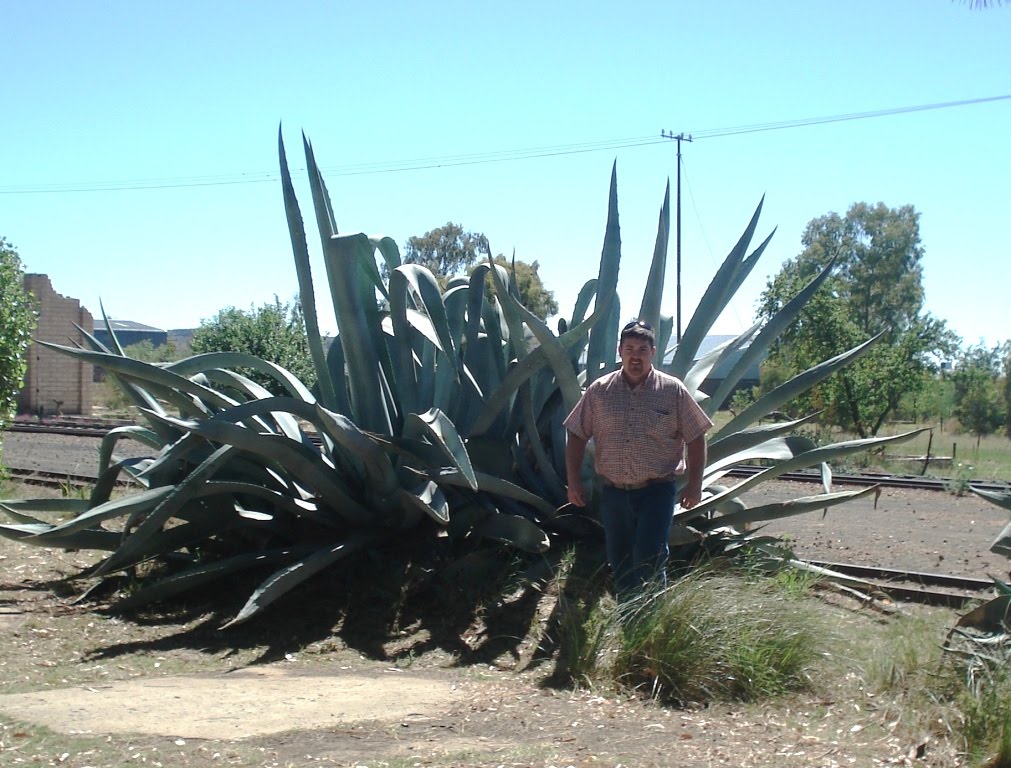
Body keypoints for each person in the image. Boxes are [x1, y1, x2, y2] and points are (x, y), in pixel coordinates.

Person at [563, 319, 713, 596]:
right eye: (629, 348)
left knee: (650, 555)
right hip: (613, 492)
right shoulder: (599, 391)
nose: (635, 355)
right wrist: (573, 481)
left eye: (642, 349)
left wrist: (694, 485)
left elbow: (696, 437)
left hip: (657, 490)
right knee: (619, 558)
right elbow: (576, 435)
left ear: (653, 352)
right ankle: (628, 615)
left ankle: (651, 617)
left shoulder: (673, 391)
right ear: (620, 350)